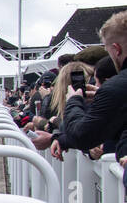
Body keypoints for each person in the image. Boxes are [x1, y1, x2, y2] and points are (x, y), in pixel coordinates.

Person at [33, 12, 127, 166]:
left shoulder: (116, 87)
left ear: (116, 49)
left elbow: (83, 135)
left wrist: (74, 101)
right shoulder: (115, 90)